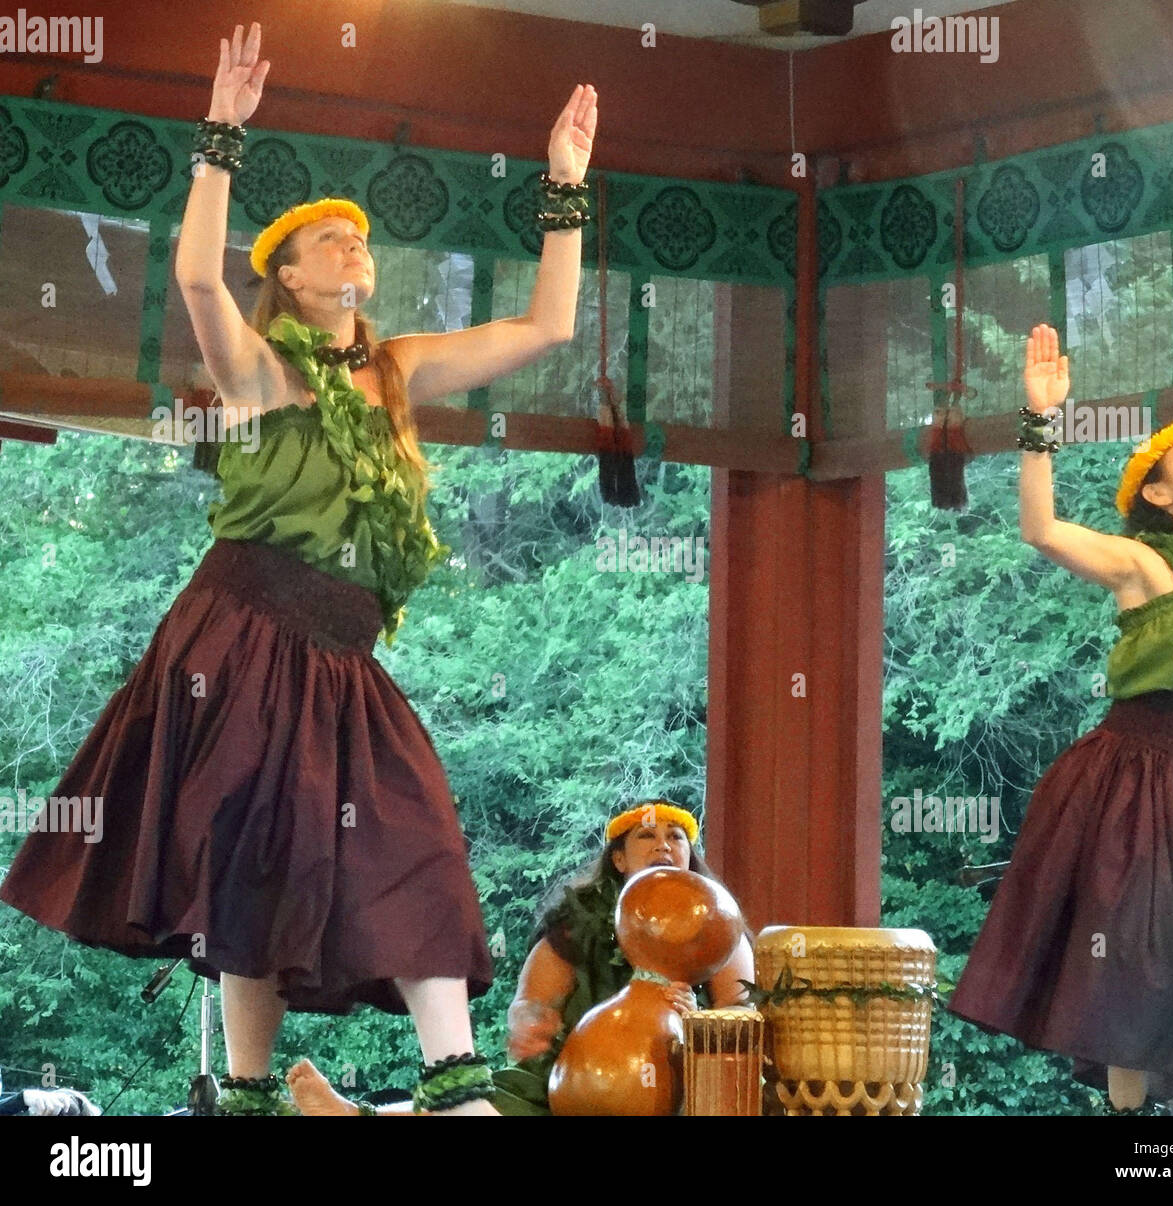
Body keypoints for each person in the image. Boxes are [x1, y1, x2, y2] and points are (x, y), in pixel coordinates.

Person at [0, 21, 598, 1117]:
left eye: (358, 237)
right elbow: (193, 274)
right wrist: (219, 138)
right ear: (283, 273)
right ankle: (249, 1092)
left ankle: (451, 1084)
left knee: (414, 833)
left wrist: (564, 188)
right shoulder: (268, 373)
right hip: (240, 630)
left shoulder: (404, 366)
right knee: (247, 859)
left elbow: (552, 326)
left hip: (342, 648)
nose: (351, 245)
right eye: (325, 239)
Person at [948, 323, 1173, 1115]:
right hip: (1132, 778)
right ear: (1158, 494)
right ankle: (1135, 1131)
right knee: (1132, 965)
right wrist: (1040, 418)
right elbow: (1040, 530)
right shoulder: (1141, 564)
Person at [283, 800, 756, 1115]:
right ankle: (361, 1115)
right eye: (647, 837)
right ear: (618, 859)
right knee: (490, 1101)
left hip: (676, 1081)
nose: (664, 846)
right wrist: (530, 1024)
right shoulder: (577, 922)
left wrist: (699, 1024)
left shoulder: (717, 928)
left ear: (690, 854)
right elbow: (530, 1003)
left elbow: (742, 1021)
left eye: (676, 837)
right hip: (565, 1075)